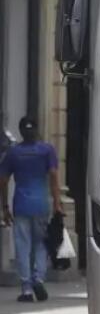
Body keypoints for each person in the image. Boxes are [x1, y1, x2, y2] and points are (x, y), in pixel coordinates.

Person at [0, 117, 63, 303]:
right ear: (37, 130)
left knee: (22, 247)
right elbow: (53, 176)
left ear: (20, 131)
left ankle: (26, 289)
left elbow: (3, 181)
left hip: (21, 205)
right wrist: (57, 203)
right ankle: (39, 278)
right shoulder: (47, 150)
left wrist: (4, 207)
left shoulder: (13, 153)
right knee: (41, 245)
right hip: (41, 204)